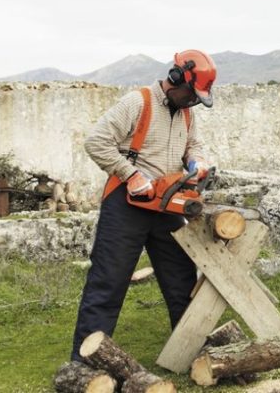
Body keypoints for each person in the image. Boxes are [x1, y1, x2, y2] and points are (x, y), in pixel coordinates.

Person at [69, 49, 216, 361]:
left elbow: (194, 145)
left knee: (181, 280)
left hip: (168, 205)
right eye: (190, 95)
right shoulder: (138, 102)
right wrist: (130, 174)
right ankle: (85, 362)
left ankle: (190, 352)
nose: (192, 102)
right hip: (127, 204)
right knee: (108, 282)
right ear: (176, 78)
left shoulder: (187, 113)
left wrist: (196, 161)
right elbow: (96, 142)